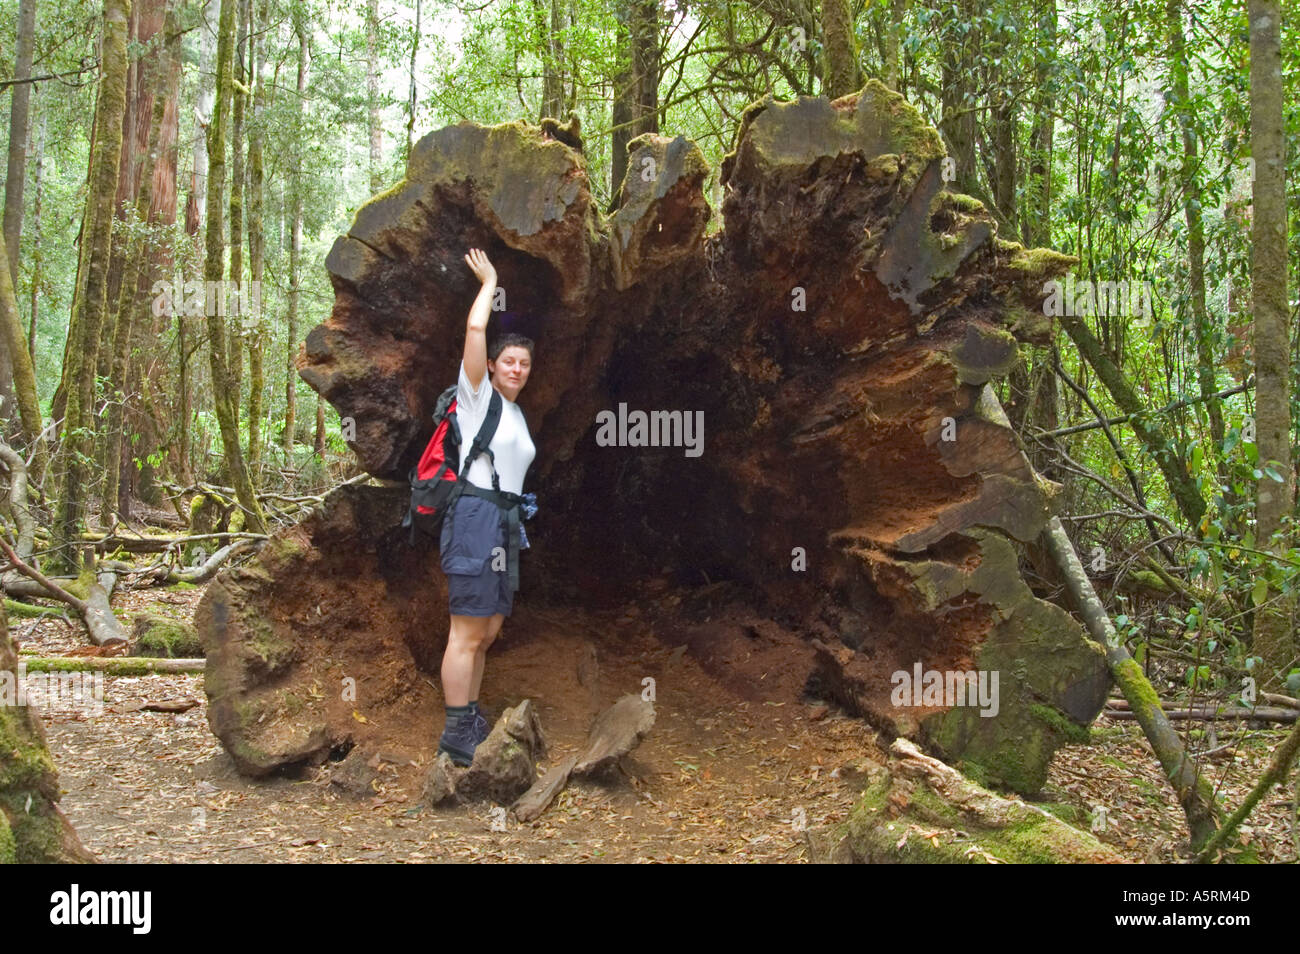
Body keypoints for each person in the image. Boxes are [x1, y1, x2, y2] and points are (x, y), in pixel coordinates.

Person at [437, 248, 537, 766]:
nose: (516, 369)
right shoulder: (478, 399)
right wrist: (489, 282)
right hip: (475, 519)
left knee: (491, 626)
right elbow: (475, 335)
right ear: (493, 368)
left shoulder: (517, 415)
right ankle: (457, 733)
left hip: (504, 525)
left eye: (524, 363)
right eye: (509, 362)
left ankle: (469, 712)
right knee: (468, 629)